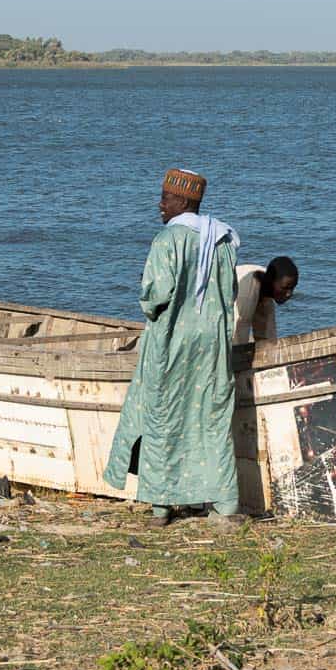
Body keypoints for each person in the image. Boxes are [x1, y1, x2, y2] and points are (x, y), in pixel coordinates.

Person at [102, 168, 244, 527]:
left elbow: (155, 297)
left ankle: (161, 508)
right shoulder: (223, 239)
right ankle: (224, 506)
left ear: (181, 201)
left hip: (170, 346)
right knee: (211, 419)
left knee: (162, 417)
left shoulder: (167, 240)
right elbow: (230, 293)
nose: (160, 205)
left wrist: (144, 293)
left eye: (165, 199)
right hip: (211, 346)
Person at [232, 256, 298, 344]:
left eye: (292, 288)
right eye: (285, 288)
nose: (289, 294)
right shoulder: (245, 295)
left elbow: (268, 338)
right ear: (271, 282)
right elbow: (236, 337)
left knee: (267, 338)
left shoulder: (267, 288)